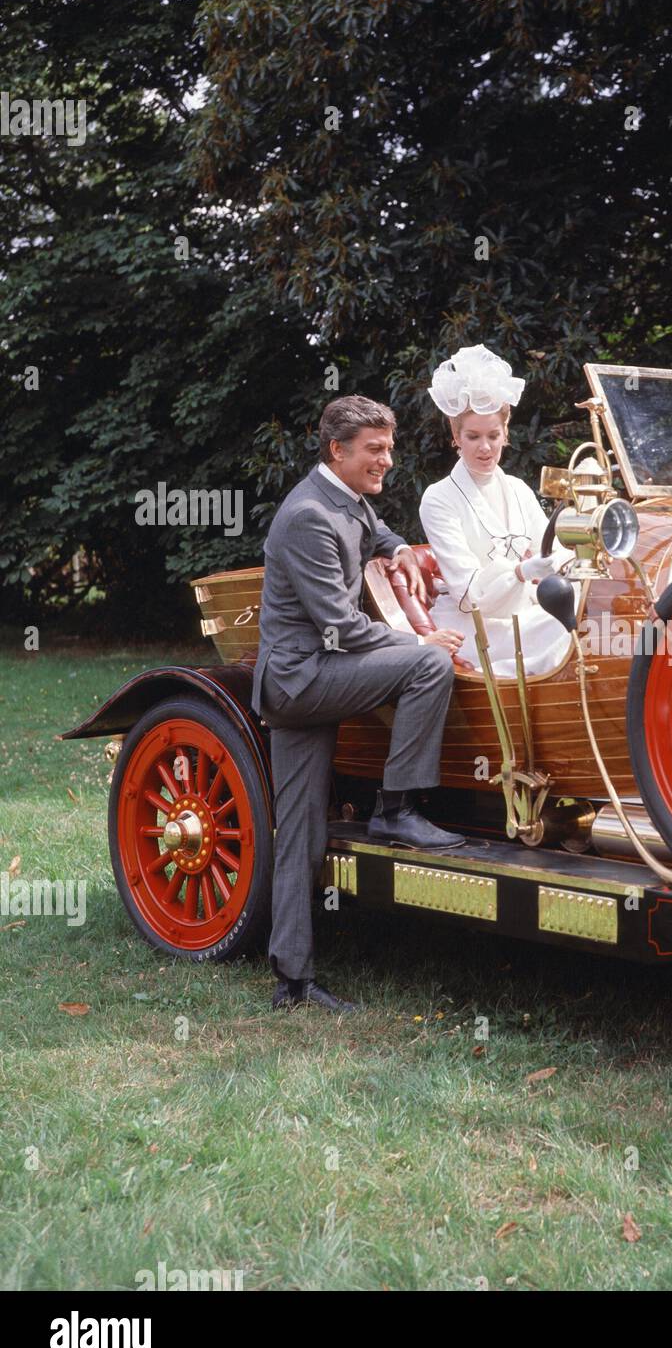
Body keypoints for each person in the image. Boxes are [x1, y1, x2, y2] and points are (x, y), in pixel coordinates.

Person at [252, 394, 465, 1014]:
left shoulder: (348, 500)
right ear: (336, 450)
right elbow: (340, 629)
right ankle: (396, 808)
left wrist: (399, 548)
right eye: (374, 450)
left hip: (309, 677)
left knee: (301, 832)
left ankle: (293, 981)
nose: (387, 461)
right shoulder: (308, 516)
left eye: (388, 448)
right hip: (301, 679)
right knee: (428, 664)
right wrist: (418, 639)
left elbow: (377, 529)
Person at [420, 344, 574, 677]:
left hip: (526, 609)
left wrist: (561, 562)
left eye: (493, 435)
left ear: (506, 434)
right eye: (473, 436)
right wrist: (519, 572)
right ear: (455, 437)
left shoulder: (518, 489)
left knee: (594, 623)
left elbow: (554, 550)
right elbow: (468, 593)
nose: (485, 447)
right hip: (474, 625)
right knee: (570, 634)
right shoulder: (438, 498)